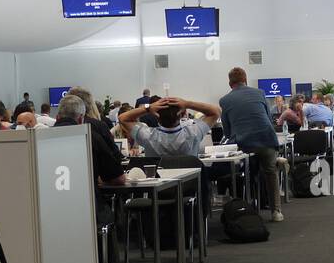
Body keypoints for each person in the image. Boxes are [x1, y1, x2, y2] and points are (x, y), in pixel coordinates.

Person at [220, 67, 283, 222]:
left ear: (230, 83)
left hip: (244, 144)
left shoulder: (225, 100)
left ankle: (248, 210)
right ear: (245, 79)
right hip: (266, 139)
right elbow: (268, 118)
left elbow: (227, 131)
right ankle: (276, 212)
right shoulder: (260, 93)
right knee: (271, 173)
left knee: (246, 174)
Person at [54, 93, 126, 186]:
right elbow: (118, 179)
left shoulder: (39, 139)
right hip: (87, 198)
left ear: (57, 118)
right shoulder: (93, 138)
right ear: (80, 119)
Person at [119, 96, 219, 156]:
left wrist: (148, 108)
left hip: (159, 189)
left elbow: (122, 118)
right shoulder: (193, 133)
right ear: (181, 115)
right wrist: (187, 103)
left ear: (156, 117)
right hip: (190, 187)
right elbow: (216, 111)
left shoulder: (147, 135)